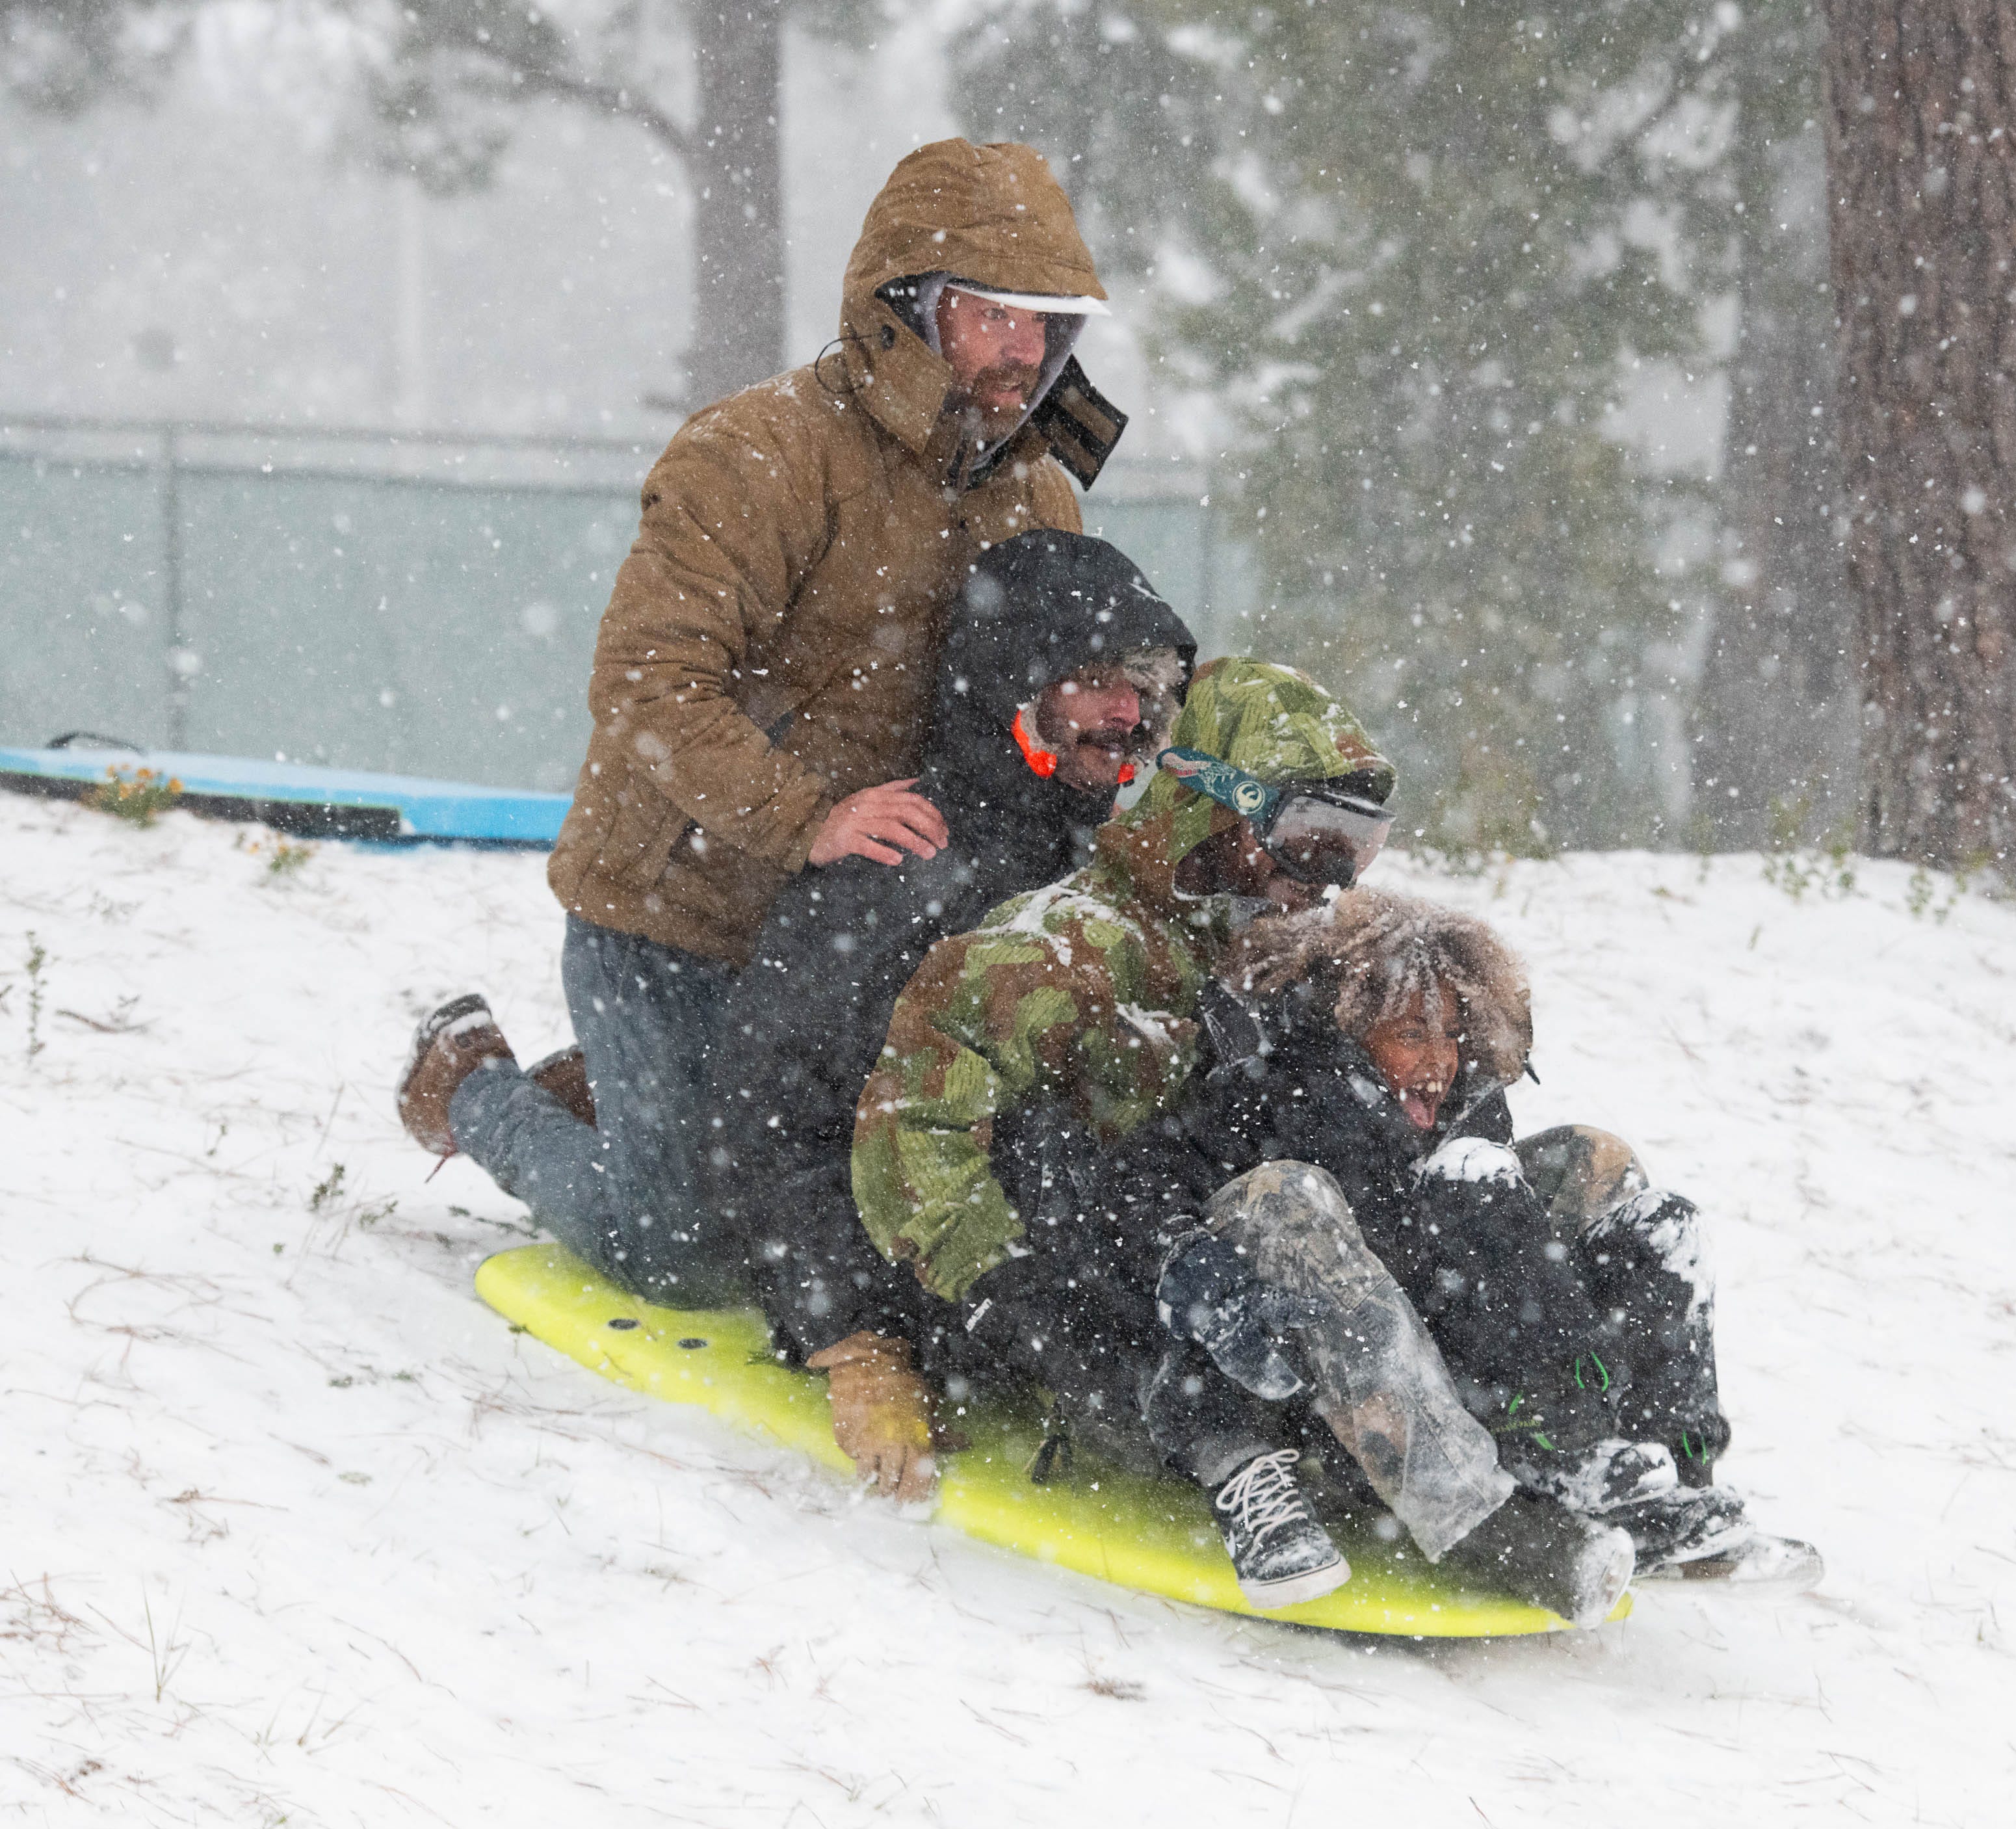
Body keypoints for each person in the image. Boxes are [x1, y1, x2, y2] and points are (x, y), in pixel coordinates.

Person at [393, 138, 1131, 1306]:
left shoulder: (1038, 488)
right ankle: (473, 1084)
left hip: (860, 936)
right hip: (677, 913)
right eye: (995, 314)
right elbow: (647, 683)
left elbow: (1046, 703)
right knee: (687, 1252)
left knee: (888, 1214)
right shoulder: (757, 453)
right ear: (907, 308)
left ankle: (637, 1102)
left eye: (1047, 324)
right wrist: (808, 816)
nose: (1025, 351)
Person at [832, 659, 1640, 1624]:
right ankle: (1469, 1516)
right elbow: (912, 1134)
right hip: (1140, 1322)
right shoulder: (1048, 955)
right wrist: (1010, 1306)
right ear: (1214, 807)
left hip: (1317, 1292)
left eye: (1357, 845)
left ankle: (1605, 1447)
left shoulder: (1296, 943)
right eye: (1313, 837)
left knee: (1591, 1168)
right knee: (1283, 1199)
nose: (1331, 875)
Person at [1108, 886, 1823, 1589]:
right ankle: (1516, 1493)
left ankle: (1663, 1483)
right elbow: (1141, 1183)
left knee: (1630, 1193)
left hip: (1471, 1360)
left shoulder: (1464, 1108)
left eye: (1451, 1033)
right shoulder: (1272, 1093)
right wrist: (1192, 1264)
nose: (1439, 1060)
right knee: (1321, 1187)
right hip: (1342, 1392)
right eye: (1411, 1035)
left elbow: (1502, 1272)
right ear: (1352, 1029)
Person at [708, 528, 1195, 1379]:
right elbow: (773, 1105)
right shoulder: (909, 860)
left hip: (1024, 1244)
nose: (1125, 711)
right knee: (647, 1239)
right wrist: (853, 1334)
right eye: (1094, 681)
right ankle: (484, 1089)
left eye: (1143, 687)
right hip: (907, 1255)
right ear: (1014, 687)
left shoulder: (1101, 859)